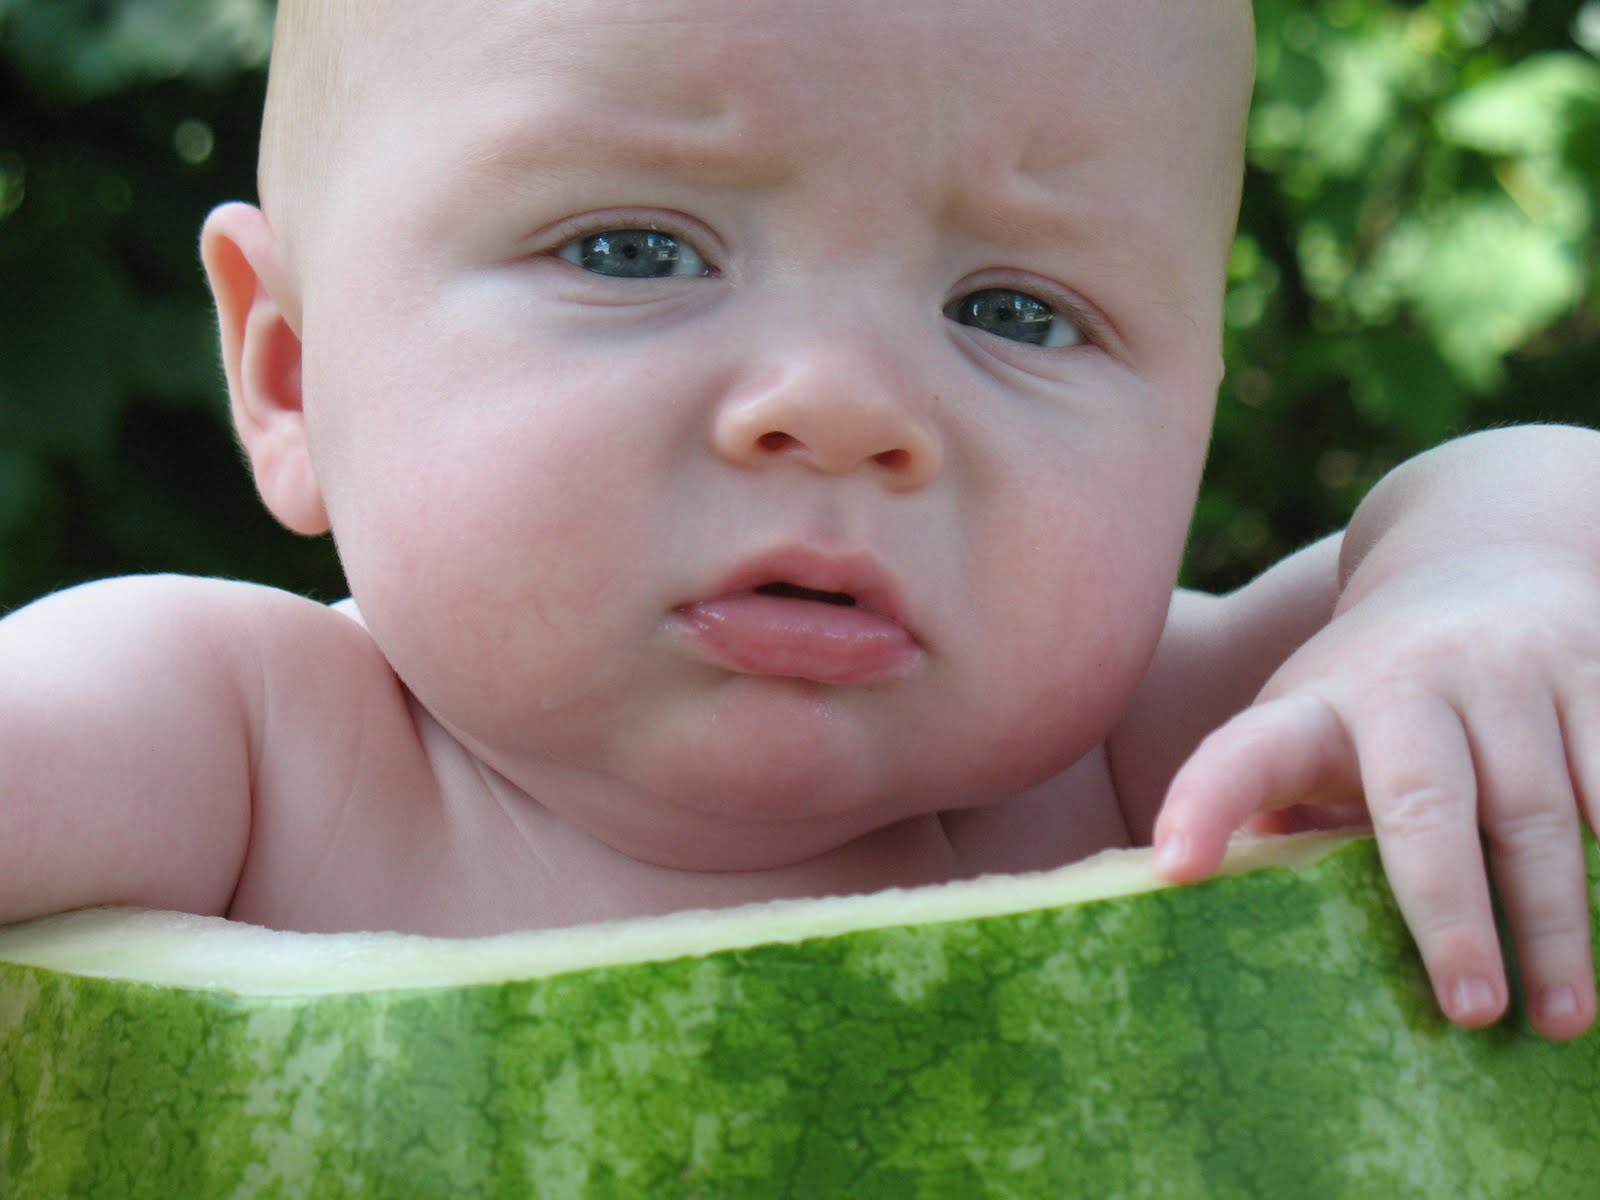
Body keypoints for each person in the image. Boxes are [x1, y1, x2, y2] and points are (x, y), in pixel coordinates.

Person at [3, 0, 1598, 1043]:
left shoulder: (1165, 765)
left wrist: (1488, 588)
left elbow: (1551, 484)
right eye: (634, 250)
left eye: (1017, 311)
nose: (841, 405)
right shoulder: (244, 742)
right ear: (291, 370)